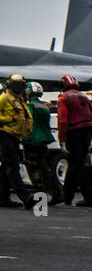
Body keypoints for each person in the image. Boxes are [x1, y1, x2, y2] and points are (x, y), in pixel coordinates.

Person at [0, 73, 37, 209]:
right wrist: (8, 120)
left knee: (6, 168)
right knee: (12, 166)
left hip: (15, 136)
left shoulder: (18, 99)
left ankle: (3, 199)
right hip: (6, 135)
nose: (19, 87)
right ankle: (25, 197)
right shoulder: (4, 98)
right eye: (17, 85)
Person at [56, 75, 92, 206]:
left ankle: (89, 198)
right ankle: (67, 197)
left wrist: (62, 139)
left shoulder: (63, 98)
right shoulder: (84, 97)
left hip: (74, 132)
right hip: (87, 132)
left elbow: (62, 120)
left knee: (78, 166)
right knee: (74, 164)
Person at [22, 82, 60, 203]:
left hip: (32, 140)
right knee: (45, 168)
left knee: (34, 168)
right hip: (43, 140)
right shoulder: (44, 107)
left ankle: (40, 195)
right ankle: (57, 194)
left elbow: (28, 122)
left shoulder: (30, 107)